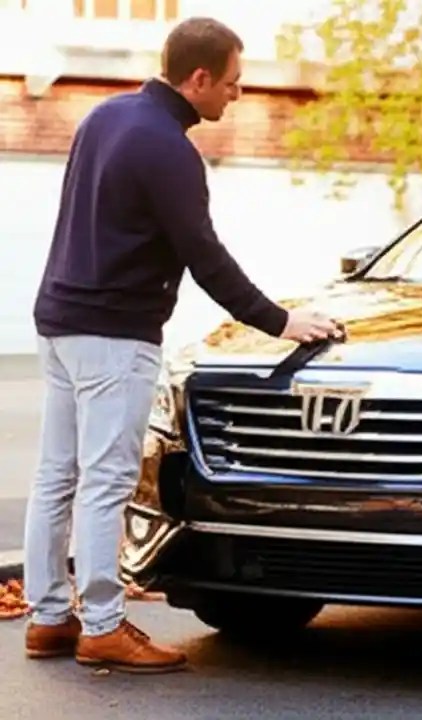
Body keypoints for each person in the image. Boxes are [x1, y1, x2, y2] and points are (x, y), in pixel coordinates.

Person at [22, 17, 339, 673]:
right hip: (113, 336)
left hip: (59, 322)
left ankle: (50, 618)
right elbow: (207, 259)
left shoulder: (105, 119)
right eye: (232, 83)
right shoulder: (169, 150)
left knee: (57, 477)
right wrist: (280, 321)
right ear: (198, 79)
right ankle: (104, 625)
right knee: (106, 483)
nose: (237, 96)